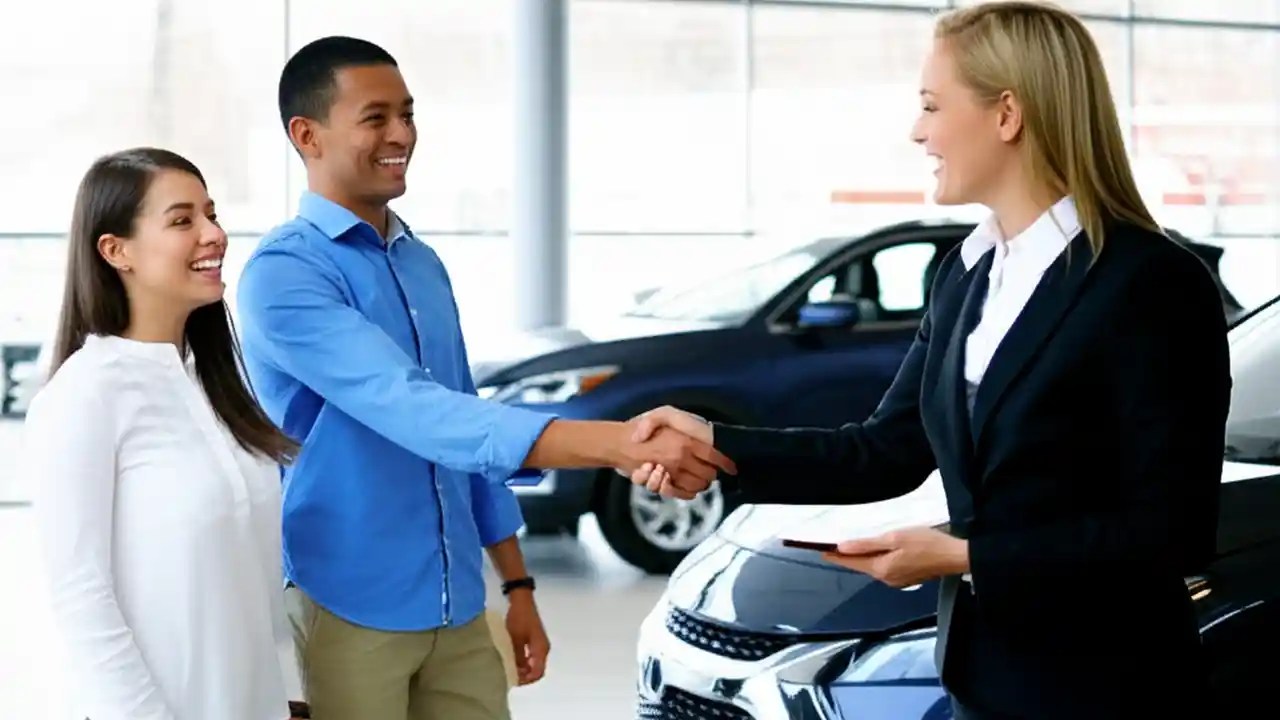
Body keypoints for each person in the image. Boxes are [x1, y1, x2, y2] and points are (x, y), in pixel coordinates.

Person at [628, 2, 1231, 718]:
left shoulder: (1149, 283)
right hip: (985, 671)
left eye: (931, 106)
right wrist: (715, 444)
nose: (918, 132)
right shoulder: (968, 275)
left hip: (1111, 685)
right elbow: (884, 449)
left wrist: (964, 557)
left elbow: (1171, 532)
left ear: (1007, 114)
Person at [234, 36, 734, 720]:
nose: (402, 135)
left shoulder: (421, 264)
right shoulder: (284, 274)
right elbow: (417, 413)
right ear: (307, 134)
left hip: (456, 599)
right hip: (348, 601)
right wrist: (618, 444)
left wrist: (518, 585)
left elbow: (463, 416)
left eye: (408, 114)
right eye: (375, 117)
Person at [24, 148, 306, 720]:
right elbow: (82, 601)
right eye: (182, 221)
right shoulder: (84, 396)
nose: (214, 234)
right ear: (115, 250)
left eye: (212, 213)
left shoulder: (212, 384)